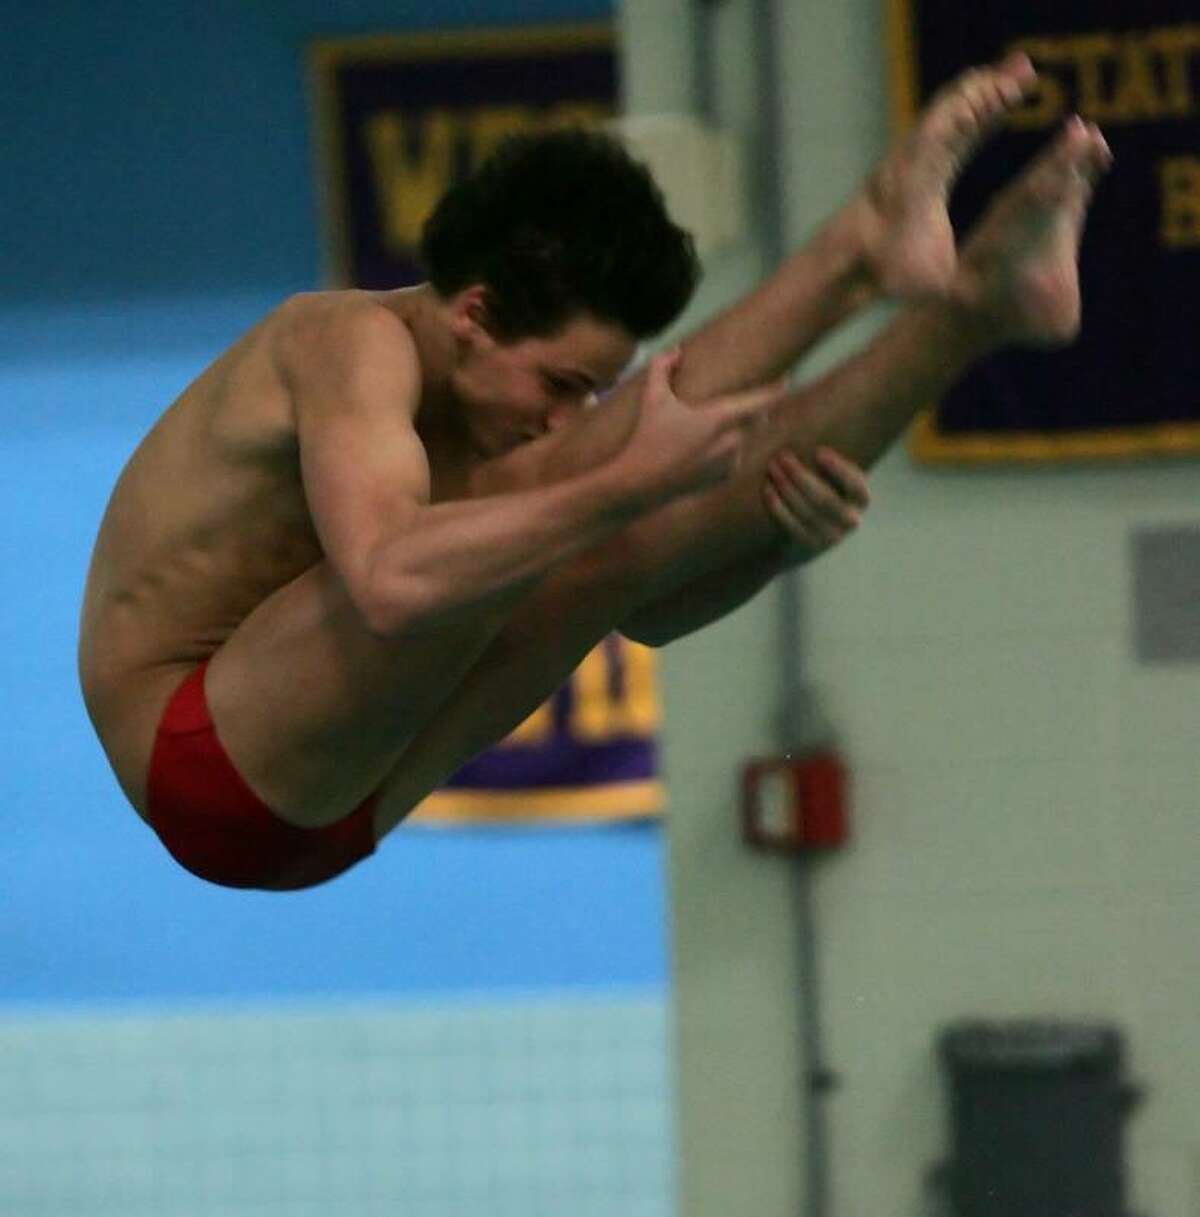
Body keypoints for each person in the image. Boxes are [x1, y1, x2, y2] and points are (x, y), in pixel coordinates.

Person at [79, 53, 1111, 891]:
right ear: (474, 316)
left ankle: (974, 309)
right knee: (586, 489)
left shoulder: (498, 422)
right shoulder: (347, 344)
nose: (564, 415)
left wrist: (774, 539)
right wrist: (628, 479)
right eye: (562, 381)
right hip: (200, 760)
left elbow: (653, 606)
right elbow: (390, 583)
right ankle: (852, 256)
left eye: (590, 389)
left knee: (601, 542)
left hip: (342, 806)